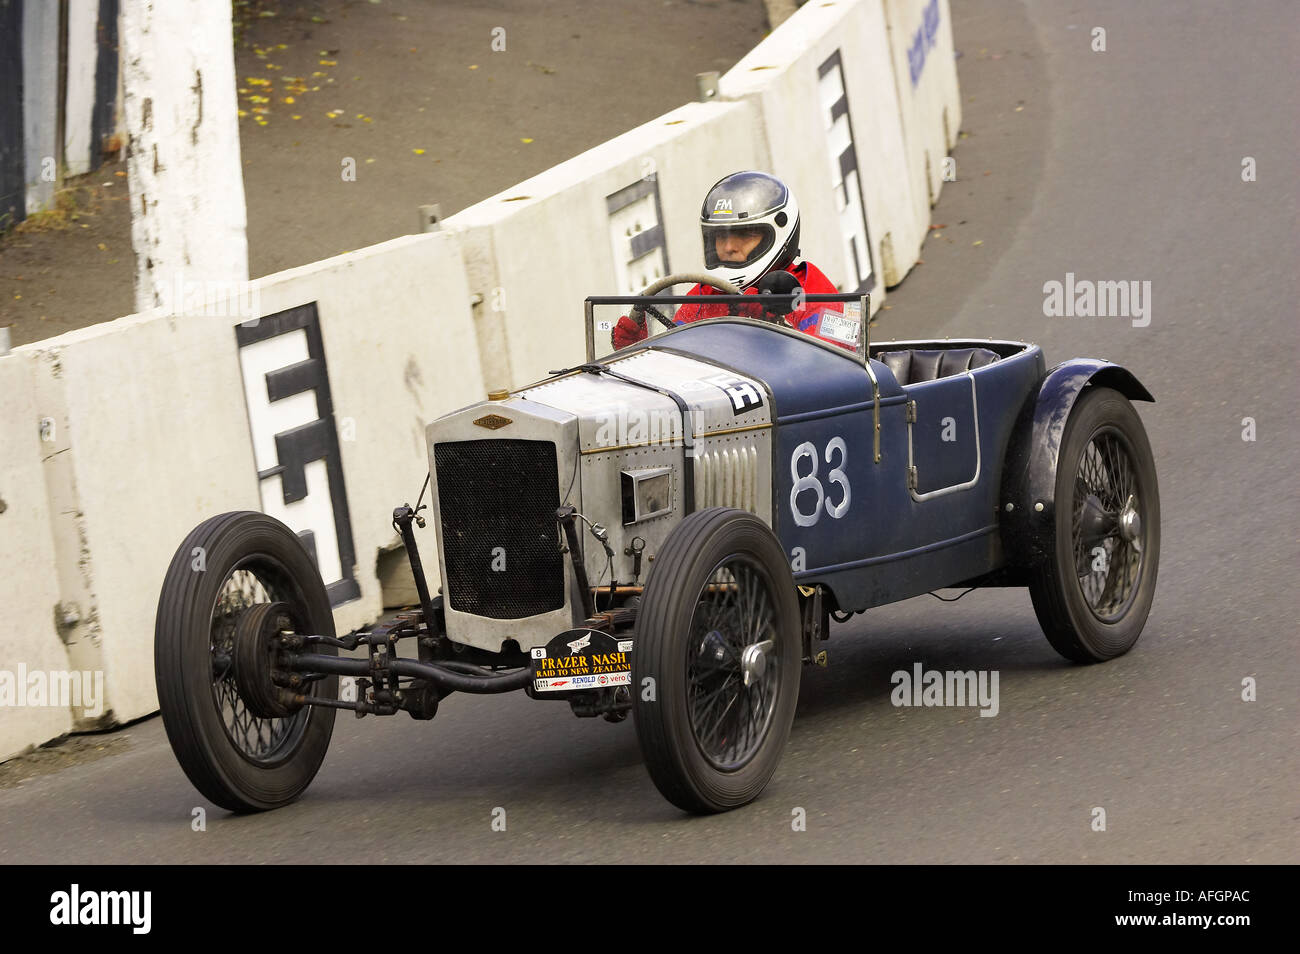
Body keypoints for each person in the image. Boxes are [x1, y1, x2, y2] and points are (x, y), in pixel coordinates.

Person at [612, 171, 853, 350]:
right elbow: (678, 356)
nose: (728, 247)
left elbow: (836, 365)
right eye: (720, 236)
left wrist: (766, 323)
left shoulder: (809, 291)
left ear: (778, 233)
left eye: (744, 234)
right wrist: (642, 350)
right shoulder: (705, 294)